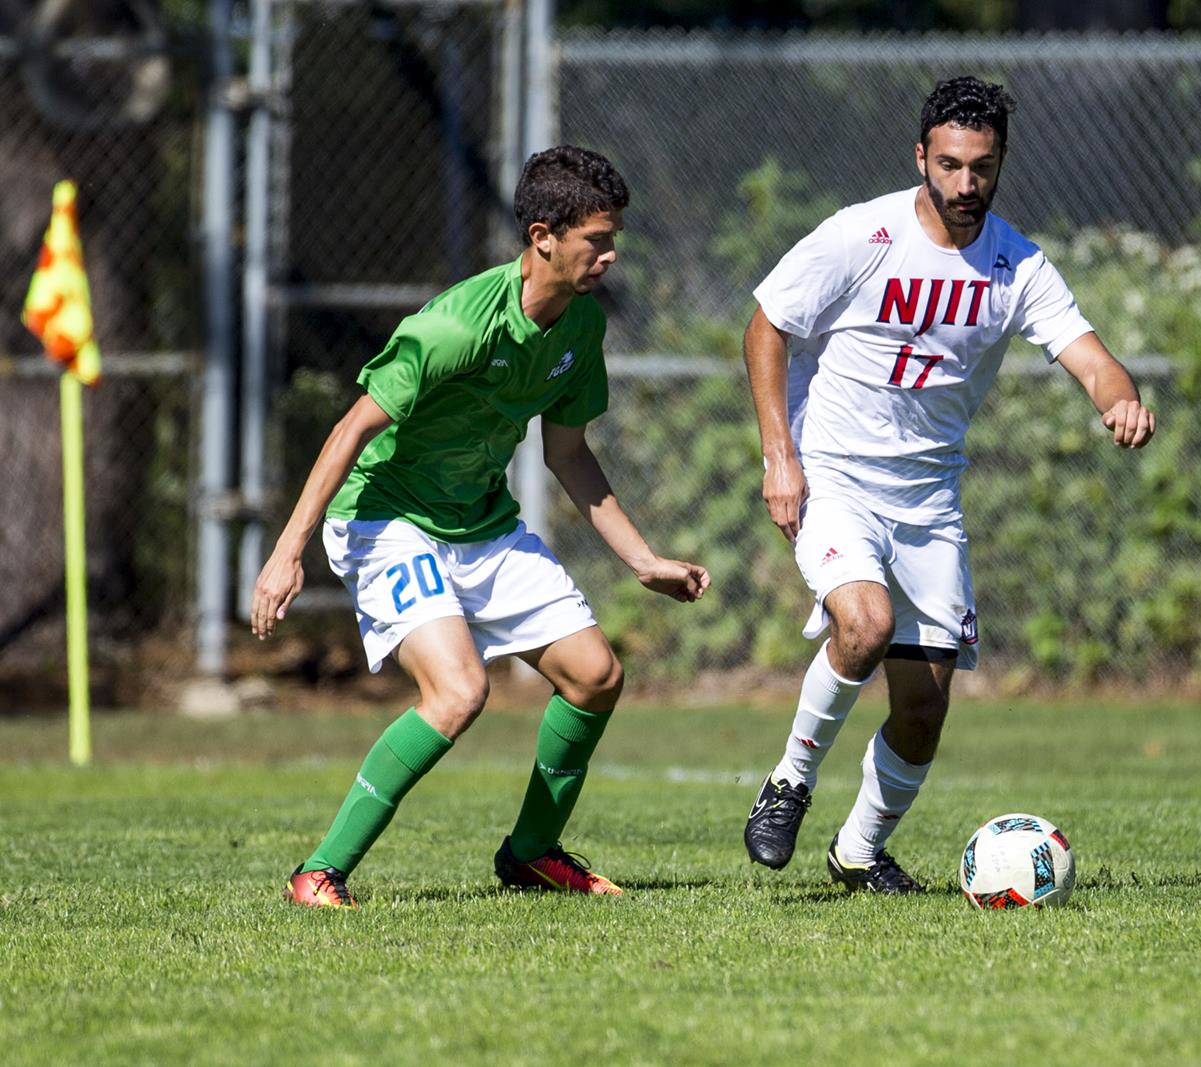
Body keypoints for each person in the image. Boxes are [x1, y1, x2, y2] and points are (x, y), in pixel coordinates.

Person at [253, 145, 710, 908]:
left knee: (596, 676)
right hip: (385, 515)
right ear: (543, 238)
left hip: (481, 520)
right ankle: (319, 871)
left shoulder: (580, 326)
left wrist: (642, 559)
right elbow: (350, 430)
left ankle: (531, 853)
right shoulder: (452, 328)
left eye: (613, 235)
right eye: (597, 238)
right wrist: (285, 553)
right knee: (460, 690)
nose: (610, 253)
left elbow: (568, 453)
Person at [741, 76, 1155, 893]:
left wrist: (1122, 399)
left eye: (984, 167)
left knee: (924, 706)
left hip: (929, 501)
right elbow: (767, 325)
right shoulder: (861, 236)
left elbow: (1087, 353)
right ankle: (789, 780)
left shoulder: (1016, 262)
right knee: (863, 624)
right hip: (837, 477)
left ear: (1000, 164)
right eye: (952, 164)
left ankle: (858, 851)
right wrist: (779, 455)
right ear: (921, 156)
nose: (966, 185)